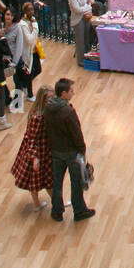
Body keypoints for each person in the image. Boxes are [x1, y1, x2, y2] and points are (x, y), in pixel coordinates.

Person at [44, 78, 95, 222]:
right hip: (71, 152)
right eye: (71, 91)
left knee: (57, 182)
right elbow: (76, 133)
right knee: (76, 182)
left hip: (56, 151)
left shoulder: (48, 108)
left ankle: (56, 211)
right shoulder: (68, 111)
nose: (74, 93)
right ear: (64, 93)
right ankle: (79, 211)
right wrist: (82, 150)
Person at [11, 90, 55, 211]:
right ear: (43, 99)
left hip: (43, 150)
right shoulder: (38, 117)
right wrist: (34, 157)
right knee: (38, 179)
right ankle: (40, 203)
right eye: (50, 97)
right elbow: (32, 138)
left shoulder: (44, 113)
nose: (53, 99)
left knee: (46, 179)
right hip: (38, 152)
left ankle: (52, 201)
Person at [9, 2, 41, 106]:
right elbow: (30, 39)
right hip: (24, 54)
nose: (31, 12)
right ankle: (27, 96)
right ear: (24, 11)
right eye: (29, 10)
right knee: (25, 75)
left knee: (37, 70)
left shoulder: (29, 21)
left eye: (32, 9)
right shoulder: (22, 24)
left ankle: (26, 88)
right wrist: (35, 26)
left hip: (33, 51)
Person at [68, 0, 94, 67]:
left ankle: (88, 57)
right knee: (80, 41)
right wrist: (88, 7)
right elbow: (77, 9)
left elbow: (92, 0)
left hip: (86, 18)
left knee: (87, 39)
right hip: (78, 20)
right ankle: (81, 61)